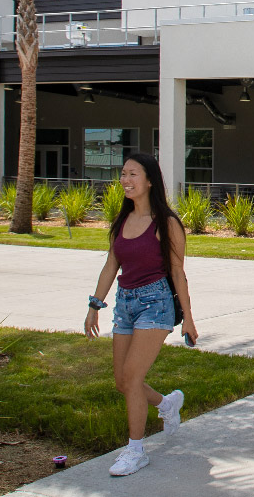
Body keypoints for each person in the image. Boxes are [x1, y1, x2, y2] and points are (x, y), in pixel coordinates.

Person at [83, 153, 198, 477]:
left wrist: (188, 317)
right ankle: (166, 404)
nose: (125, 180)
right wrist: (95, 306)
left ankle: (135, 451)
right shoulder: (121, 221)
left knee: (132, 377)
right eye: (123, 174)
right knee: (122, 382)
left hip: (156, 303)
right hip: (125, 303)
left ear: (149, 181)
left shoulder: (167, 223)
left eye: (132, 174)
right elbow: (111, 265)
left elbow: (178, 272)